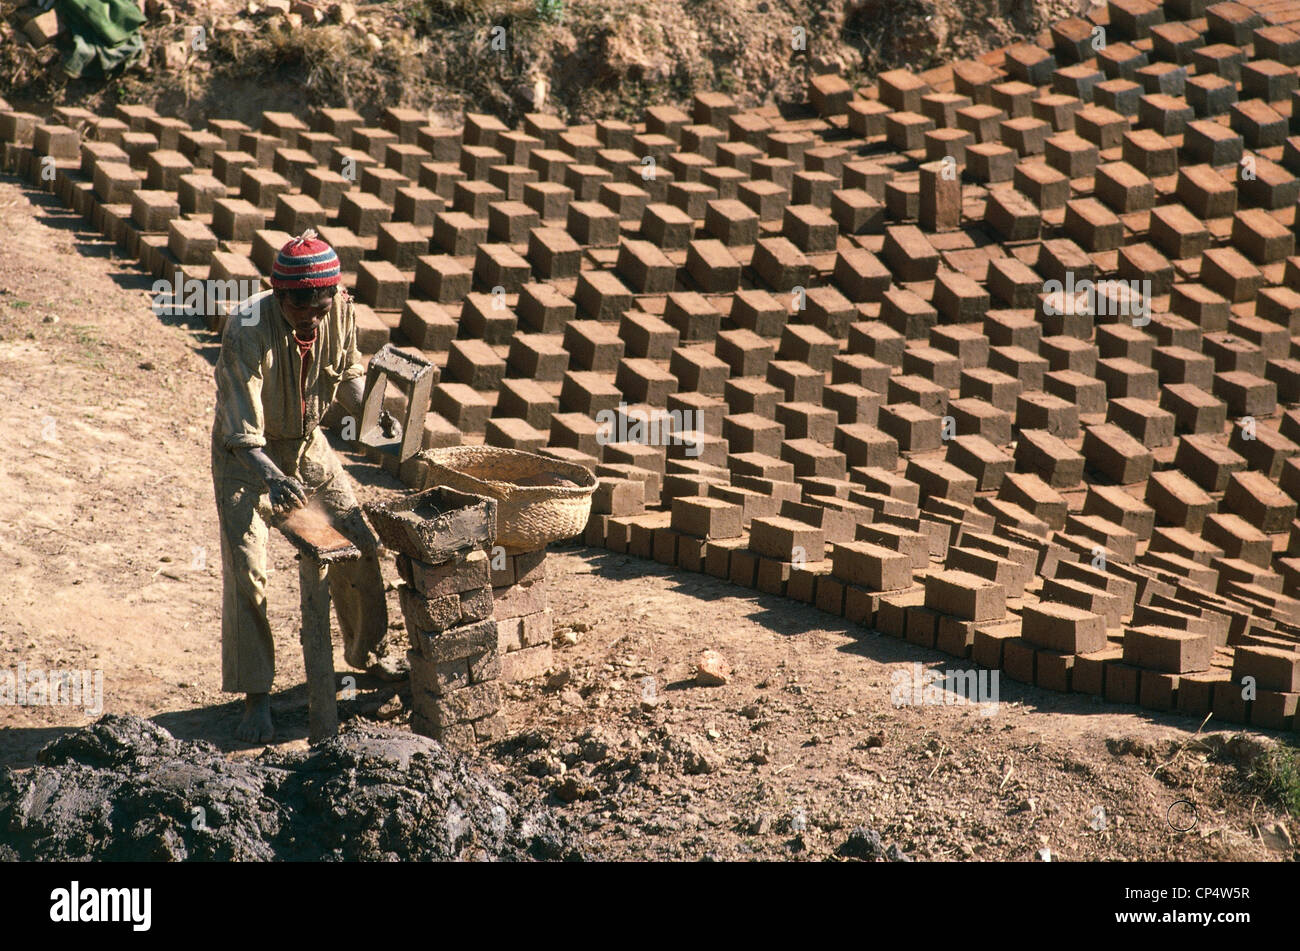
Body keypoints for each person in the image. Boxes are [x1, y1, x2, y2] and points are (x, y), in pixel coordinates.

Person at [210, 230, 394, 742]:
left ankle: (366, 655)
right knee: (248, 573)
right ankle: (256, 697)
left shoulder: (338, 309)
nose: (311, 317)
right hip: (247, 461)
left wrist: (377, 416)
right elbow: (242, 431)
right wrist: (275, 478)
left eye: (320, 307)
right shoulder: (247, 328)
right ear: (279, 293)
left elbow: (350, 376)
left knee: (359, 541)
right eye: (299, 308)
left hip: (307, 445)